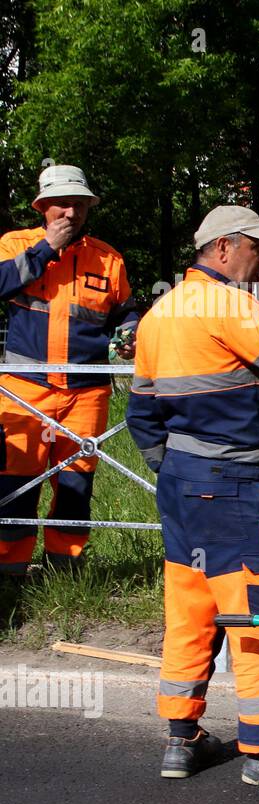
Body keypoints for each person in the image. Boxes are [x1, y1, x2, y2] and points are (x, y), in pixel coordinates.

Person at [127, 205, 259, 784]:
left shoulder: (160, 312)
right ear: (223, 249)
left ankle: (181, 739)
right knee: (258, 614)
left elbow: (141, 412)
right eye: (256, 247)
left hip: (179, 487)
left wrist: (174, 469)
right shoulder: (230, 305)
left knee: (190, 611)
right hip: (235, 489)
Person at [0, 165, 139, 575]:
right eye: (61, 204)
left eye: (78, 205)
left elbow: (125, 311)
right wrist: (45, 249)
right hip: (24, 389)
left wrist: (129, 333)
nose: (70, 213)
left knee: (76, 482)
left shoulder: (108, 257)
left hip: (86, 390)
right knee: (14, 482)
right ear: (42, 207)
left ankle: (66, 568)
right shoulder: (15, 244)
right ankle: (9, 570)